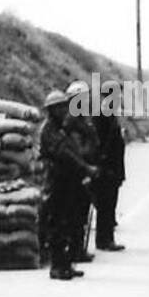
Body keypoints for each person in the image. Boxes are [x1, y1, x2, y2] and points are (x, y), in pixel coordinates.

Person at [38, 89, 97, 280]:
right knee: (56, 224)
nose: (64, 109)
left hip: (67, 180)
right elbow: (64, 153)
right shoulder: (49, 130)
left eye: (64, 106)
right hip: (55, 181)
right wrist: (85, 168)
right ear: (52, 110)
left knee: (68, 223)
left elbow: (75, 148)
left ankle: (66, 264)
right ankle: (57, 266)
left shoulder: (61, 127)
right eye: (60, 107)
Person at [64, 79, 99, 263]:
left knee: (81, 214)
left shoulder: (81, 119)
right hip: (76, 174)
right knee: (75, 214)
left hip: (84, 170)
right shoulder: (71, 122)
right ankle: (74, 250)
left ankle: (77, 249)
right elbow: (76, 150)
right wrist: (86, 168)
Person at [93, 79, 127, 251]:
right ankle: (104, 240)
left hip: (112, 167)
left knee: (109, 205)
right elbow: (102, 144)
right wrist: (103, 163)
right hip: (107, 168)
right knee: (106, 205)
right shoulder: (102, 115)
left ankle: (106, 238)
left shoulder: (109, 114)